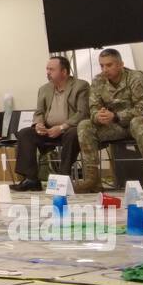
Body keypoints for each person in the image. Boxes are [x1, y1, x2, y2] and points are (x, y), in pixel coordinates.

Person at [75, 49, 143, 194]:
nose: (104, 69)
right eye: (102, 66)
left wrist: (115, 116)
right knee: (85, 125)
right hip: (118, 126)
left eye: (109, 65)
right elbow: (93, 107)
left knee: (137, 122)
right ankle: (93, 179)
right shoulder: (98, 81)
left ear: (121, 64)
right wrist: (99, 116)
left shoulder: (135, 77)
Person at [15, 56, 89, 192]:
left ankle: (63, 177)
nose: (48, 72)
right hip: (48, 130)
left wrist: (61, 127)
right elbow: (39, 112)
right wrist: (38, 124)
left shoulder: (81, 86)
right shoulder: (44, 89)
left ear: (64, 72)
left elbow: (82, 113)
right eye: (47, 69)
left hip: (69, 129)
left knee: (73, 133)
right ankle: (31, 179)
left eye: (51, 69)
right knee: (25, 133)